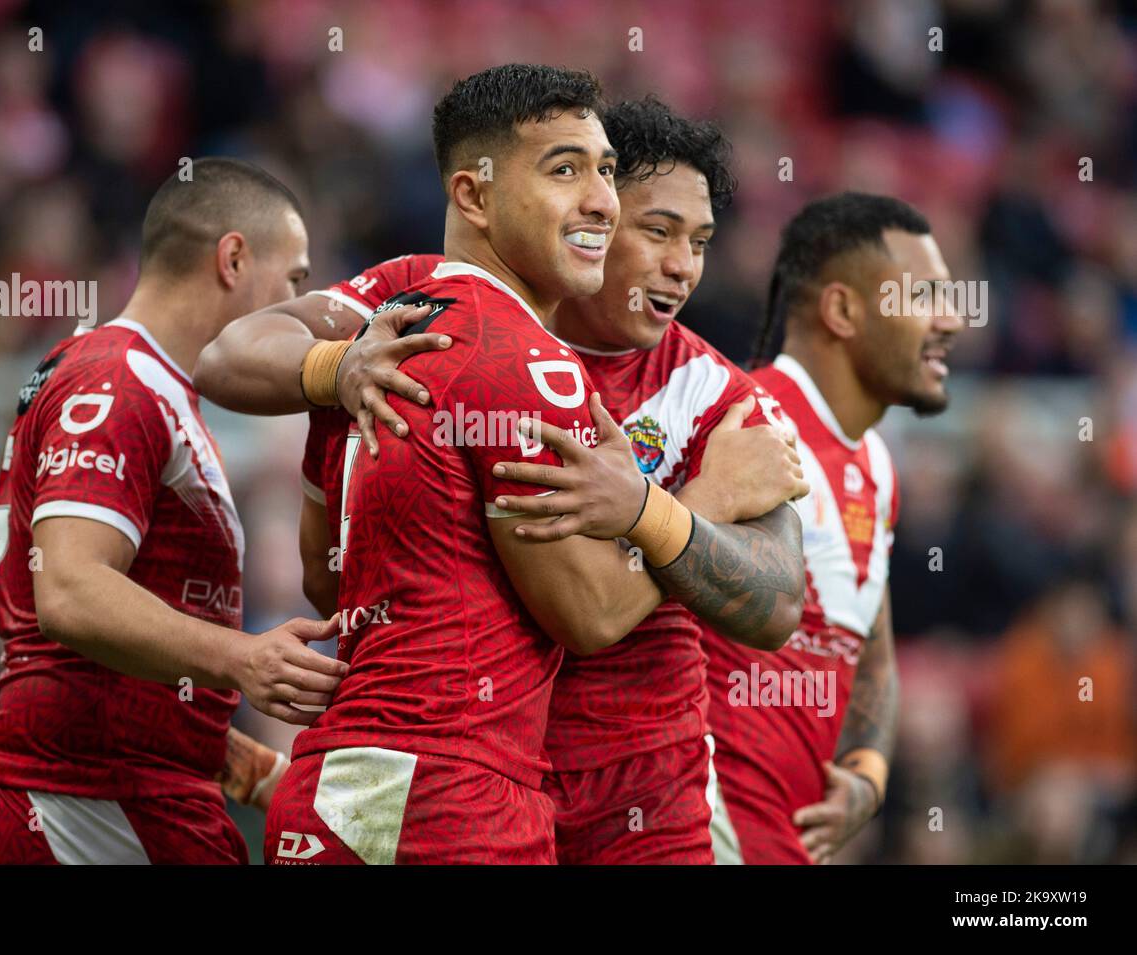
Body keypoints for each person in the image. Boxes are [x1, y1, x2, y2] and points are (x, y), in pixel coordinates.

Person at [196, 86, 808, 863]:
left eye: (701, 241)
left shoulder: (717, 396)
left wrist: (658, 511)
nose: (681, 267)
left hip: (637, 800)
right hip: (472, 782)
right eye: (656, 229)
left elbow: (777, 598)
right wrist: (338, 367)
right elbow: (231, 359)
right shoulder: (419, 305)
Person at [0, 158, 345, 864]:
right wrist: (245, 655)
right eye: (294, 281)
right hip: (77, 809)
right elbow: (70, 593)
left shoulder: (146, 385)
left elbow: (110, 667)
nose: (296, 308)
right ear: (233, 258)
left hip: (109, 797)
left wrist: (249, 769)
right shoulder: (117, 380)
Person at [707, 192, 962, 863]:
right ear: (843, 310)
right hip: (701, 832)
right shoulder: (739, 418)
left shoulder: (877, 461)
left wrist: (870, 772)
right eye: (925, 296)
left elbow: (871, 648)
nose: (954, 319)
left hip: (790, 842)